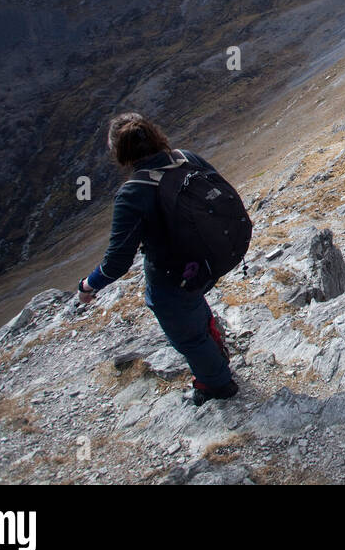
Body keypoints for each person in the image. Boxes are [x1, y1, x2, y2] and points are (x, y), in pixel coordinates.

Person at [76, 113, 238, 406]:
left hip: (170, 276)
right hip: (207, 259)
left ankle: (216, 384)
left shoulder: (133, 192)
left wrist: (88, 285)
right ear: (154, 134)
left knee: (186, 336)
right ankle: (213, 346)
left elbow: (116, 262)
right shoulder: (185, 158)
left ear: (119, 153)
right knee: (192, 306)